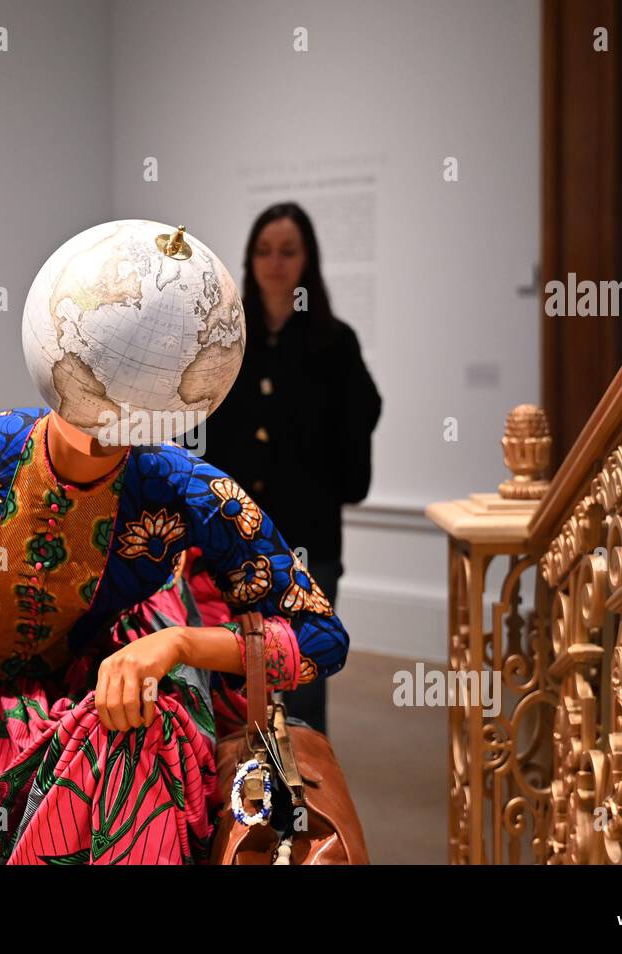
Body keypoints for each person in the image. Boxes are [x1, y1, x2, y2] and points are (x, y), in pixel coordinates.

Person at [0, 221, 351, 865]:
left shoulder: (185, 488)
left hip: (107, 704)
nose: (105, 428)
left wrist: (176, 644)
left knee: (137, 774)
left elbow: (322, 638)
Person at [203, 202, 382, 735]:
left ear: (308, 260)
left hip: (308, 535)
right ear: (249, 258)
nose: (274, 263)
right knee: (230, 664)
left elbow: (360, 419)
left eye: (287, 251)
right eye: (264, 251)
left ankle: (304, 788)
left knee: (303, 666)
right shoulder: (227, 340)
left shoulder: (334, 342)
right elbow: (198, 426)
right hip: (233, 534)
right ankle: (233, 791)